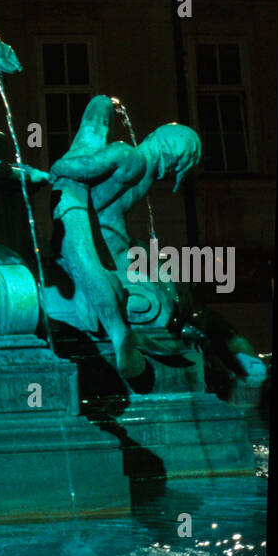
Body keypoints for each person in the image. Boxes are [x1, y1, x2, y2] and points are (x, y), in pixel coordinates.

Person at [50, 95, 201, 379]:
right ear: (174, 157)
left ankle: (161, 321)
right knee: (93, 268)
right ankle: (121, 336)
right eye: (178, 166)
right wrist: (58, 171)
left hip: (108, 236)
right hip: (80, 216)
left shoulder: (140, 168)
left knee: (151, 268)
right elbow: (82, 167)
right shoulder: (130, 156)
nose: (171, 174)